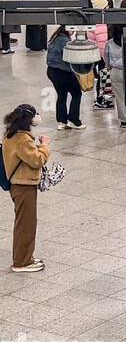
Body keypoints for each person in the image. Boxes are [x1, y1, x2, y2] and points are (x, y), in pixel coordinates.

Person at [3, 104, 51, 273]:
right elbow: (37, 160)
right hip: (23, 186)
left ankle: (25, 256)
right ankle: (21, 262)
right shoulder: (22, 139)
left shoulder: (11, 134)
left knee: (24, 223)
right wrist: (44, 146)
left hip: (19, 185)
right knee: (26, 225)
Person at [45, 26, 85, 131]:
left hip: (52, 71)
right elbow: (71, 58)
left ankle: (61, 122)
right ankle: (74, 119)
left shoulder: (55, 38)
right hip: (64, 73)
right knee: (77, 94)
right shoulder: (66, 41)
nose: (73, 32)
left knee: (61, 96)